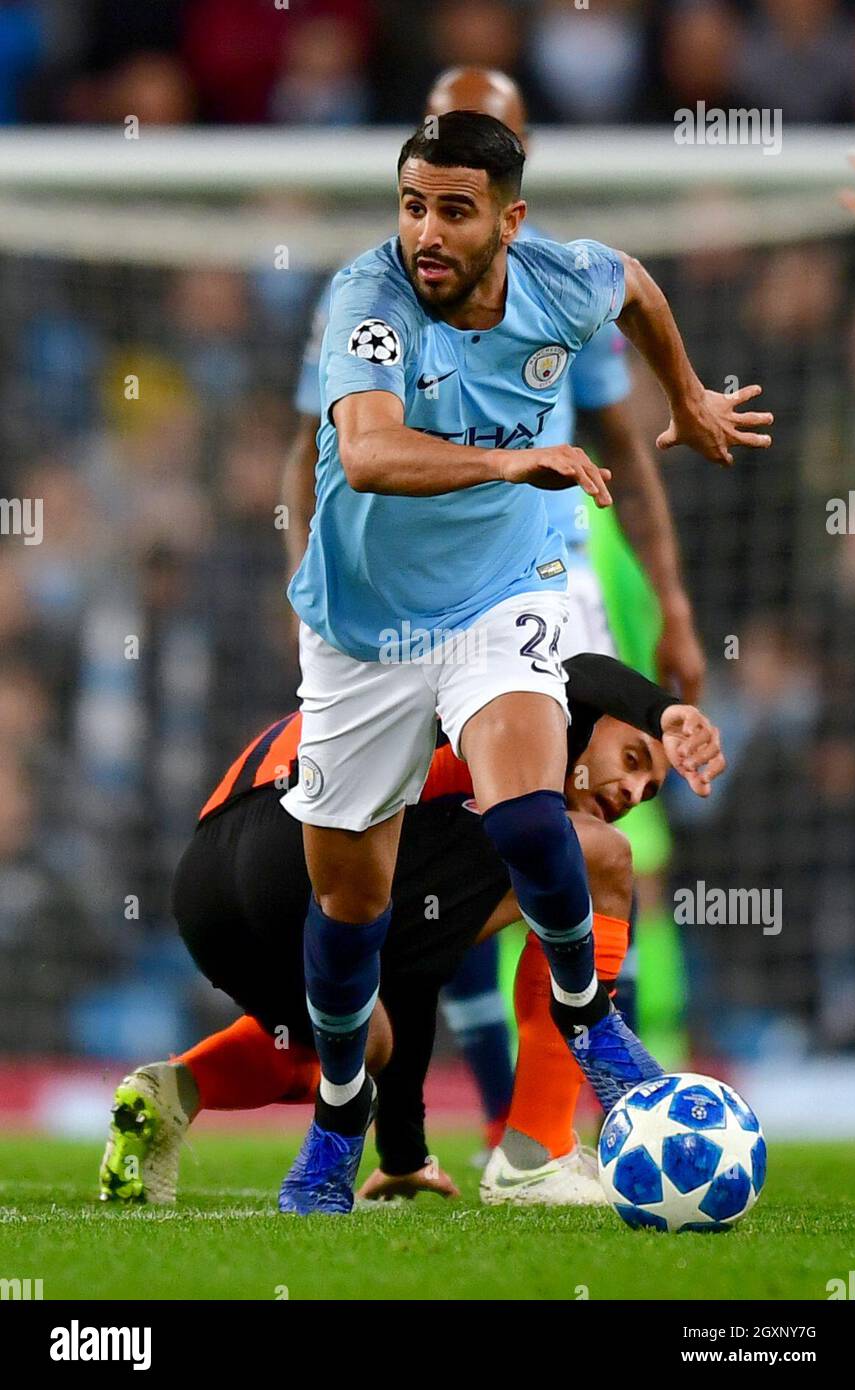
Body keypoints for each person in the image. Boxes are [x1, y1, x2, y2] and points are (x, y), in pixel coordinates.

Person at [281, 108, 770, 1214]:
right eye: (412, 206)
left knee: (524, 811)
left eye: (453, 210)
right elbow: (361, 453)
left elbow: (637, 283)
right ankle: (337, 1120)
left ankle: (591, 1025)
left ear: (510, 218)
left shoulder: (564, 278)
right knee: (348, 904)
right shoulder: (368, 301)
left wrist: (685, 396)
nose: (426, 234)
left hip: (502, 595)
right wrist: (516, 460)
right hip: (362, 630)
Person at [98, 653, 724, 1207]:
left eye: (648, 790)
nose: (632, 789)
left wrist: (404, 1156)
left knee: (368, 1038)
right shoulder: (524, 706)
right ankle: (539, 1155)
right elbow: (582, 669)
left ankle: (177, 1088)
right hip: (294, 841)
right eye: (633, 759)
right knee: (605, 856)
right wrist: (665, 708)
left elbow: (407, 969)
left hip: (210, 890)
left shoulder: (447, 759)